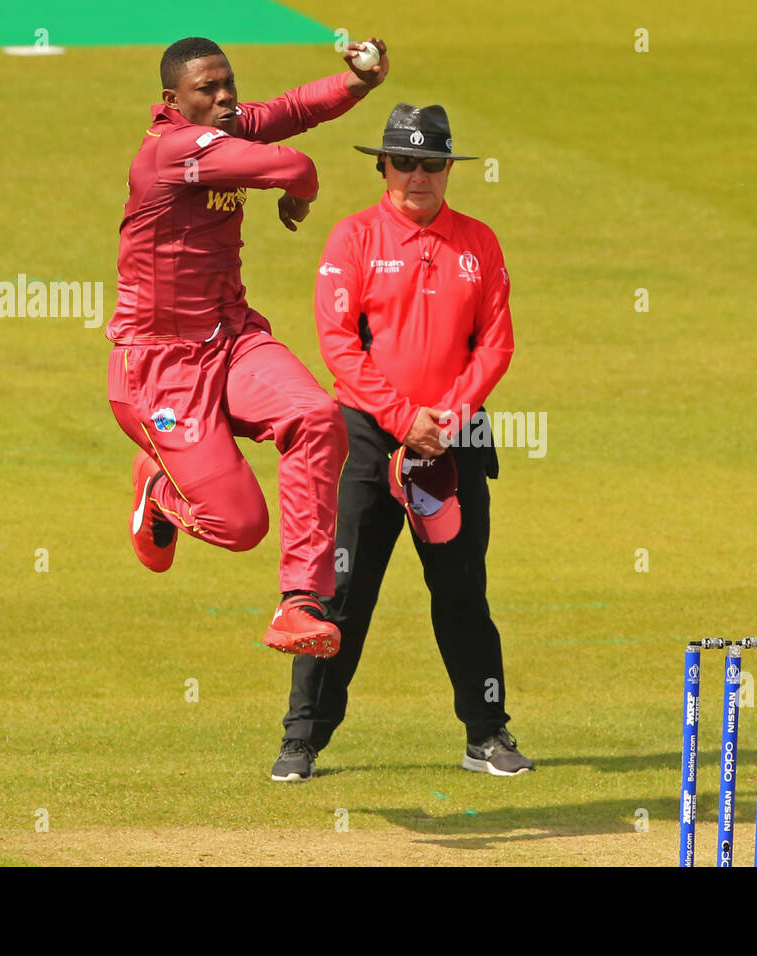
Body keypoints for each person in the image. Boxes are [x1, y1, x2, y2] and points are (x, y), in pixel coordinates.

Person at [273, 103, 533, 781]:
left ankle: (487, 735)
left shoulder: (480, 242)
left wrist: (449, 416)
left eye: (432, 163)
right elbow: (338, 343)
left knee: (462, 593)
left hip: (454, 435)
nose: (419, 176)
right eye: (405, 162)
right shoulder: (353, 238)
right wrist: (401, 416)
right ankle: (301, 741)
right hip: (366, 435)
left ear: (449, 169)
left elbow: (495, 344)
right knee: (342, 595)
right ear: (383, 166)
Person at [107, 36, 388, 659]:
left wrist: (359, 84)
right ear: (171, 100)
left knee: (317, 417)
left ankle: (298, 604)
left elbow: (291, 110)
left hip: (232, 340)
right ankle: (158, 489)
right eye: (208, 89)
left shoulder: (224, 127)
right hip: (157, 368)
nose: (226, 97)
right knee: (240, 528)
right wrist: (300, 195)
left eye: (228, 83)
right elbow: (296, 168)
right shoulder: (174, 150)